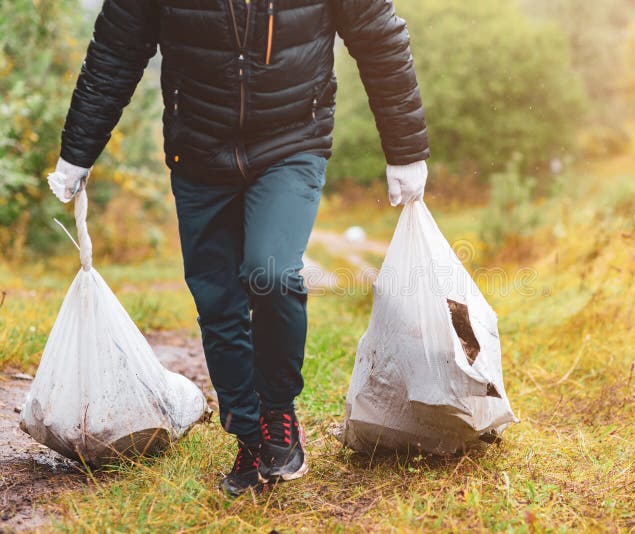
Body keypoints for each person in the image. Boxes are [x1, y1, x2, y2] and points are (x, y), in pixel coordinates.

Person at [46, 0, 429, 497]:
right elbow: (116, 51)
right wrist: (77, 151)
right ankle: (250, 437)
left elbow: (379, 37)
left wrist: (406, 151)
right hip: (198, 150)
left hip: (292, 141)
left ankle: (278, 413)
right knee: (217, 300)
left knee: (269, 272)